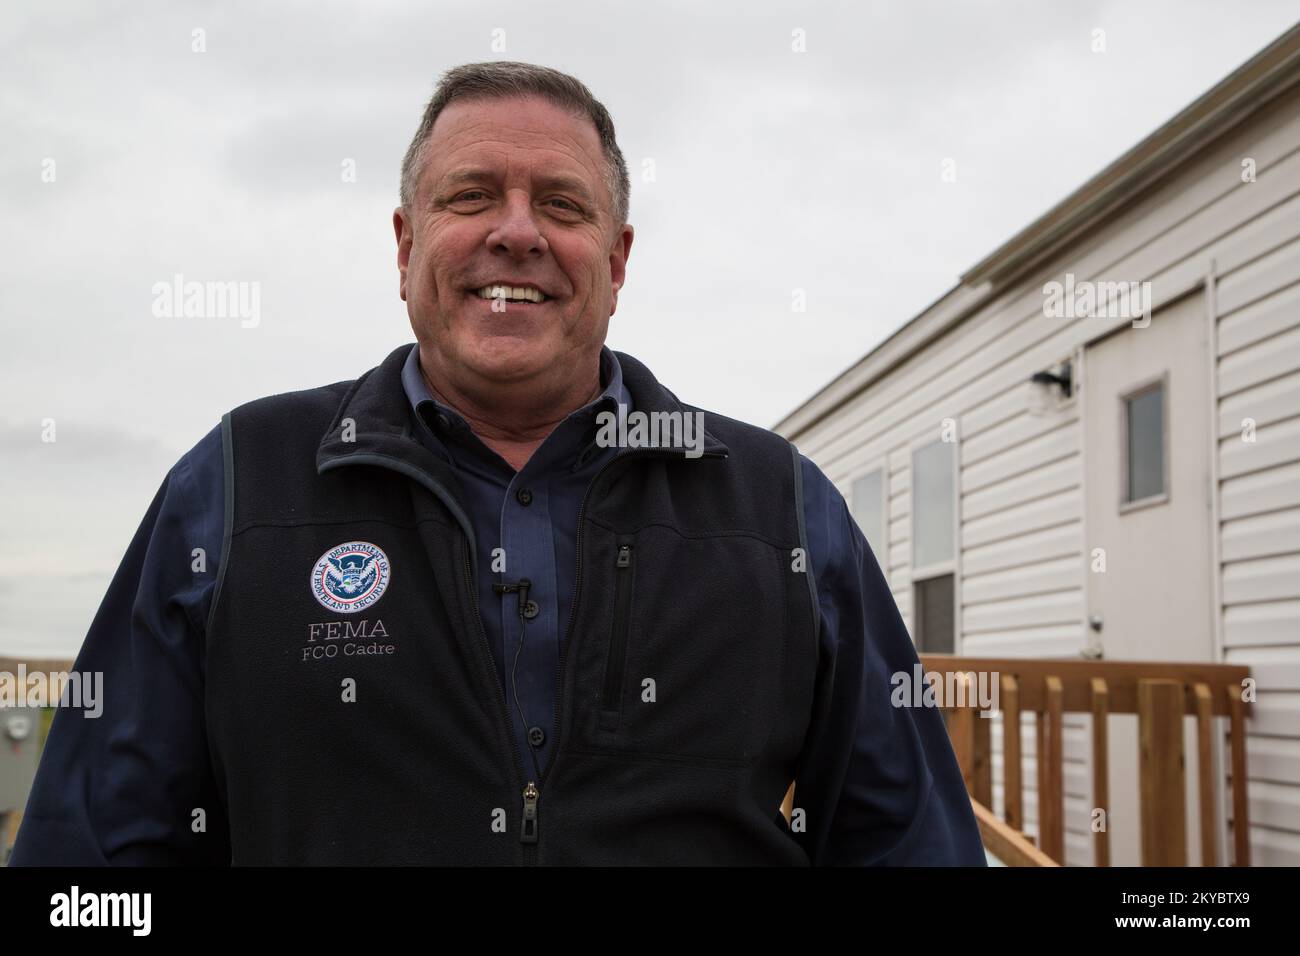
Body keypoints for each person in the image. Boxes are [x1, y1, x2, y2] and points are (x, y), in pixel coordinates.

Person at [11, 61, 985, 866]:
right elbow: (90, 857)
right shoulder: (231, 488)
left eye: (559, 203)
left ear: (618, 258)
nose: (515, 230)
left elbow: (907, 841)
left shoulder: (779, 506)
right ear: (405, 247)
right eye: (471, 195)